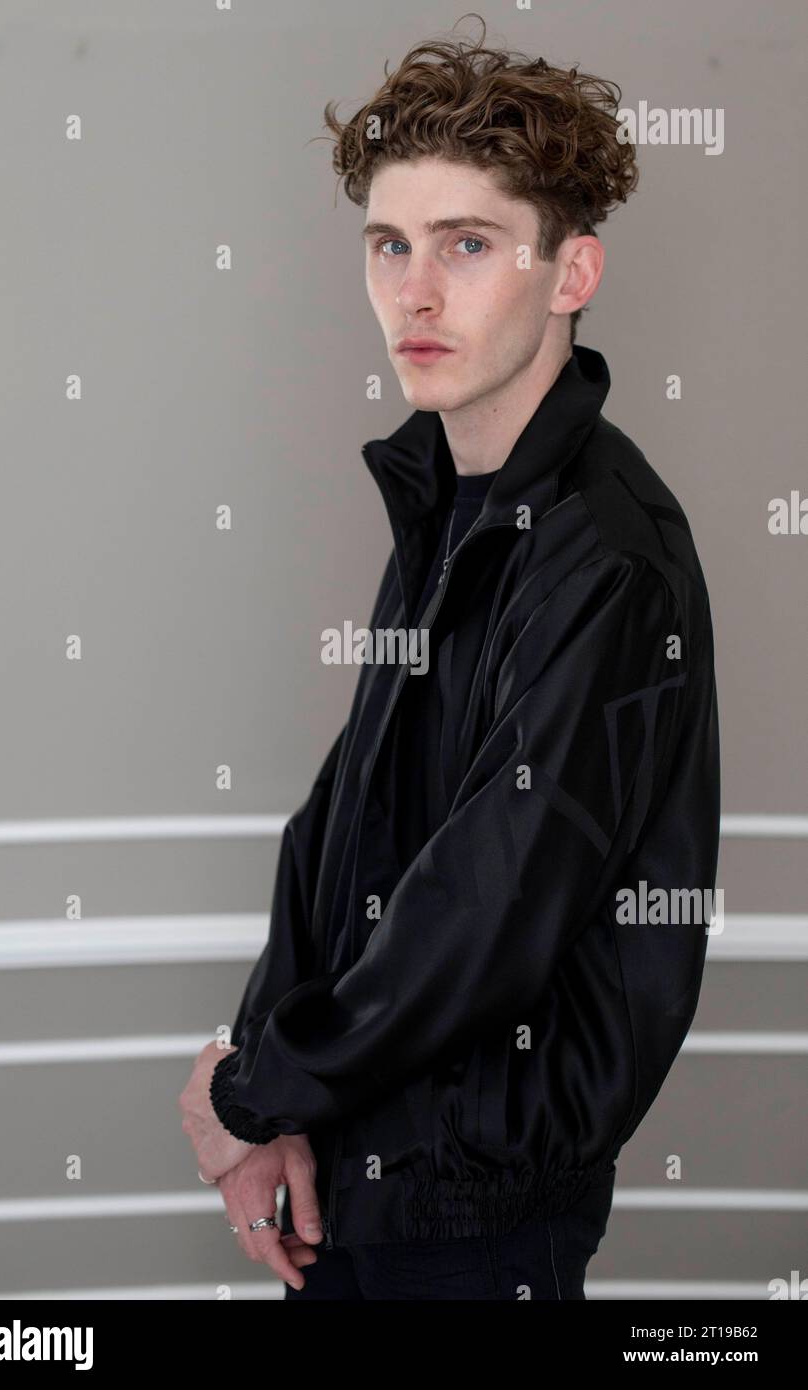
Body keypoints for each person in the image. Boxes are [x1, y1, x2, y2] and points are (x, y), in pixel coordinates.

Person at [179, 18, 721, 1300]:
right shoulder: (451, 494)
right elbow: (348, 823)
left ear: (569, 269)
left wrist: (248, 1094)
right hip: (367, 1166)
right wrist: (263, 1083)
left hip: (475, 1219)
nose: (413, 294)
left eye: (466, 246)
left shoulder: (604, 555)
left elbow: (482, 910)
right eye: (389, 246)